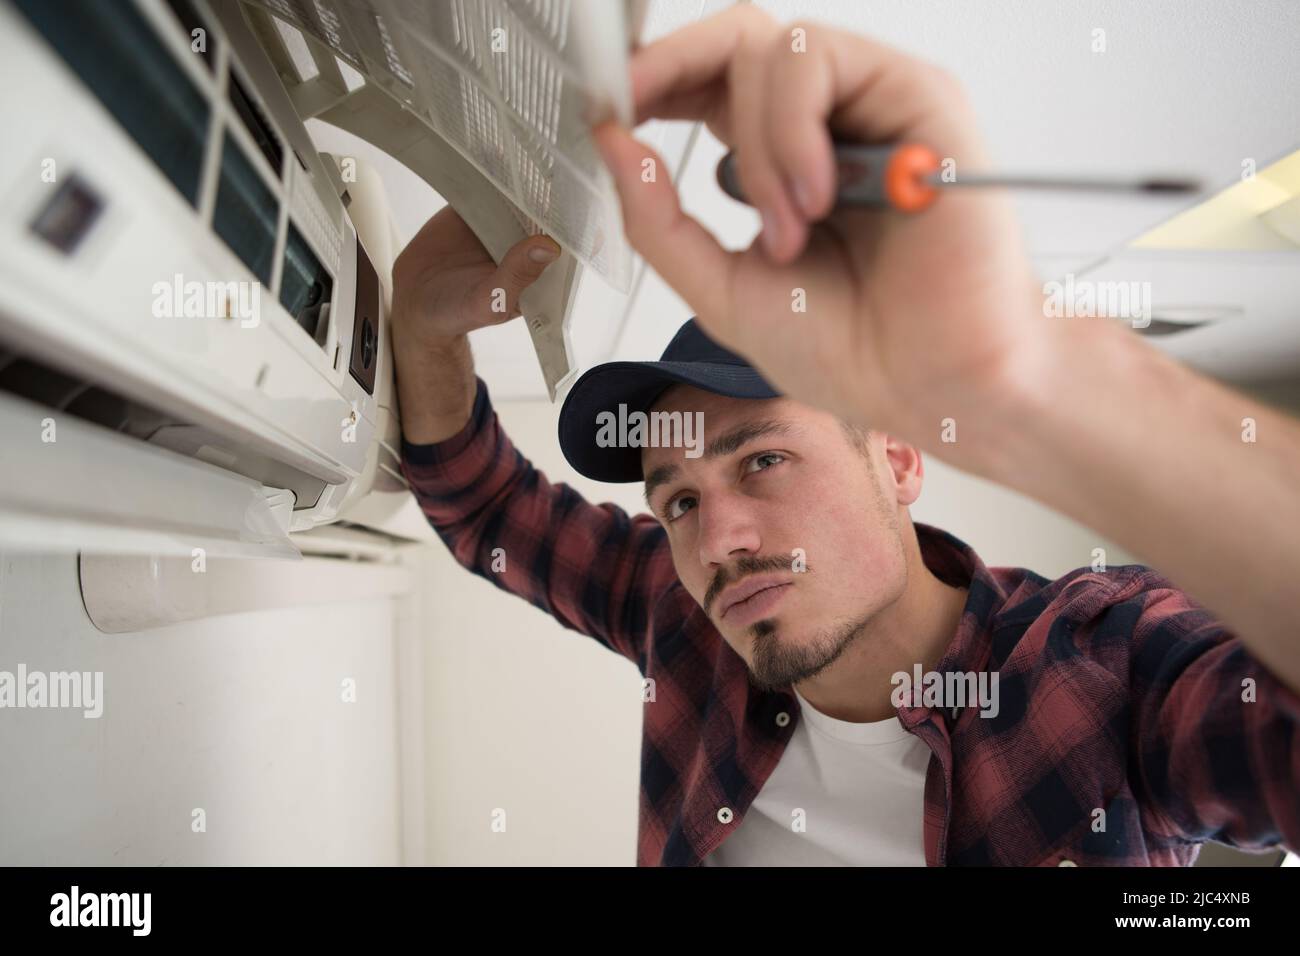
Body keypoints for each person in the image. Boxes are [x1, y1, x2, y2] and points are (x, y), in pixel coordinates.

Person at [389, 6, 1300, 866]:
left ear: (899, 457)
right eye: (677, 500)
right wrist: (426, 329)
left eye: (764, 459)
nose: (715, 539)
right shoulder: (685, 619)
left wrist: (1030, 381)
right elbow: (490, 509)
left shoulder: (1100, 665)